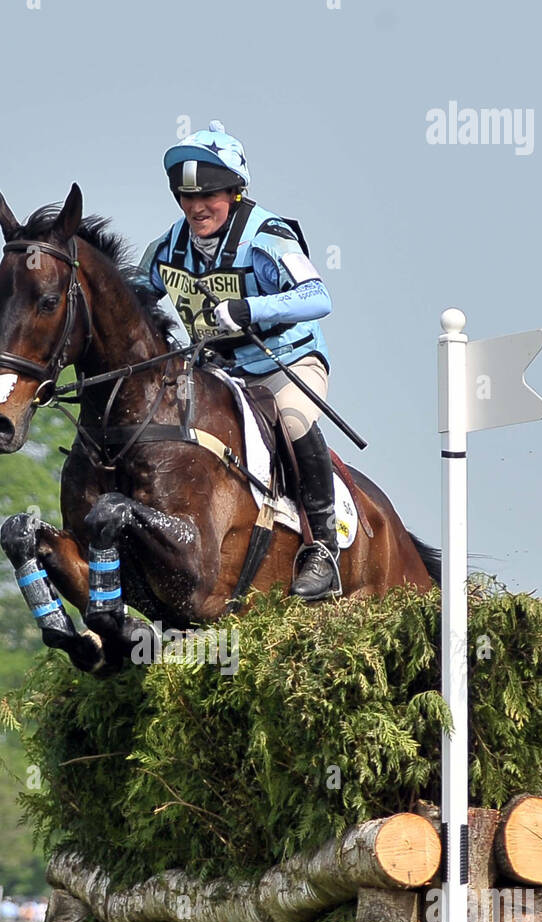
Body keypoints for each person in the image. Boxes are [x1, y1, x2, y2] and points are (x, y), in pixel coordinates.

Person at [140, 120, 341, 601]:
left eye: (209, 196)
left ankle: (324, 550)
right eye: (187, 198)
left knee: (291, 421)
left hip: (284, 363)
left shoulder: (267, 237)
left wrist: (251, 308)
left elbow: (318, 297)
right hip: (216, 374)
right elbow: (129, 299)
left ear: (235, 192)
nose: (196, 207)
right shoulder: (168, 249)